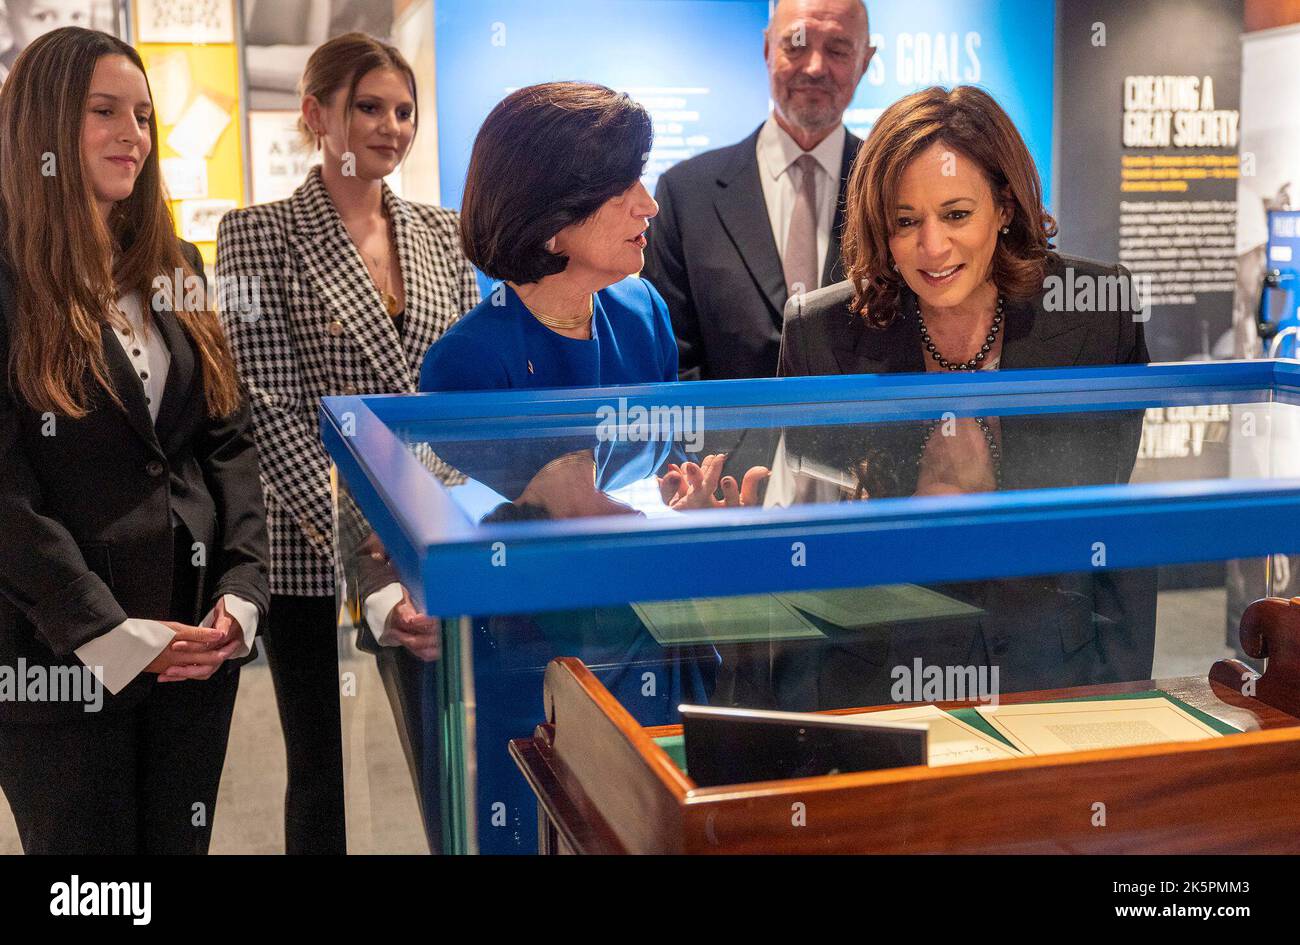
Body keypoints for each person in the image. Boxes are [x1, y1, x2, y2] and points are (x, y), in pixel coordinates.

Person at [775, 84, 1155, 701]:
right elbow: (815, 541)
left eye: (956, 214)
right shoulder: (819, 334)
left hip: (1055, 675)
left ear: (1004, 206)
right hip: (876, 677)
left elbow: (1112, 516)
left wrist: (1120, 692)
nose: (932, 247)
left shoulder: (1096, 312)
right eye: (906, 222)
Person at [0, 27, 269, 854]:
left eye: (145, 116)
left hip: (194, 649)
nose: (134, 136)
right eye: (104, 111)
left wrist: (243, 588)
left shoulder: (175, 261)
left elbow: (226, 439)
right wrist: (110, 634)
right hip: (60, 661)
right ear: (42, 126)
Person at [216, 32, 478, 855]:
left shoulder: (445, 233)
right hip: (307, 546)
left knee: (450, 759)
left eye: (404, 110)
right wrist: (371, 531)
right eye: (369, 106)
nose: (391, 126)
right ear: (314, 113)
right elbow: (271, 409)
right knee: (319, 774)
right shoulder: (253, 236)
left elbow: (458, 402)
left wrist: (423, 528)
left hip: (432, 539)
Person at [642, 0, 875, 380]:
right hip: (724, 439)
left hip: (871, 438)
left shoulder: (896, 186)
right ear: (768, 50)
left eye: (837, 49)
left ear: (865, 61)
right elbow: (672, 362)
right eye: (796, 46)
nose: (815, 67)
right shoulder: (685, 195)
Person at [419, 82, 675, 391]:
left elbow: (669, 438)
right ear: (547, 211)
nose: (650, 206)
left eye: (639, 178)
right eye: (620, 187)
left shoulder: (644, 310)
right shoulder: (467, 358)